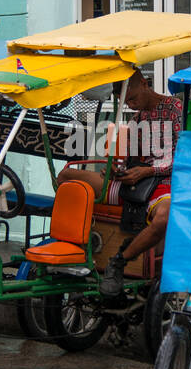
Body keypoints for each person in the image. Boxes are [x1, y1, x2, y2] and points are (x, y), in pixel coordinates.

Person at [58, 69, 182, 296]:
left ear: (145, 84)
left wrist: (147, 171)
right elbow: (128, 159)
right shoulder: (136, 120)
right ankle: (72, 251)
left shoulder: (174, 108)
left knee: (164, 216)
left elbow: (184, 158)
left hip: (164, 183)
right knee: (66, 177)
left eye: (133, 99)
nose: (131, 105)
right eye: (126, 102)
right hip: (134, 185)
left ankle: (119, 260)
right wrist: (115, 167)